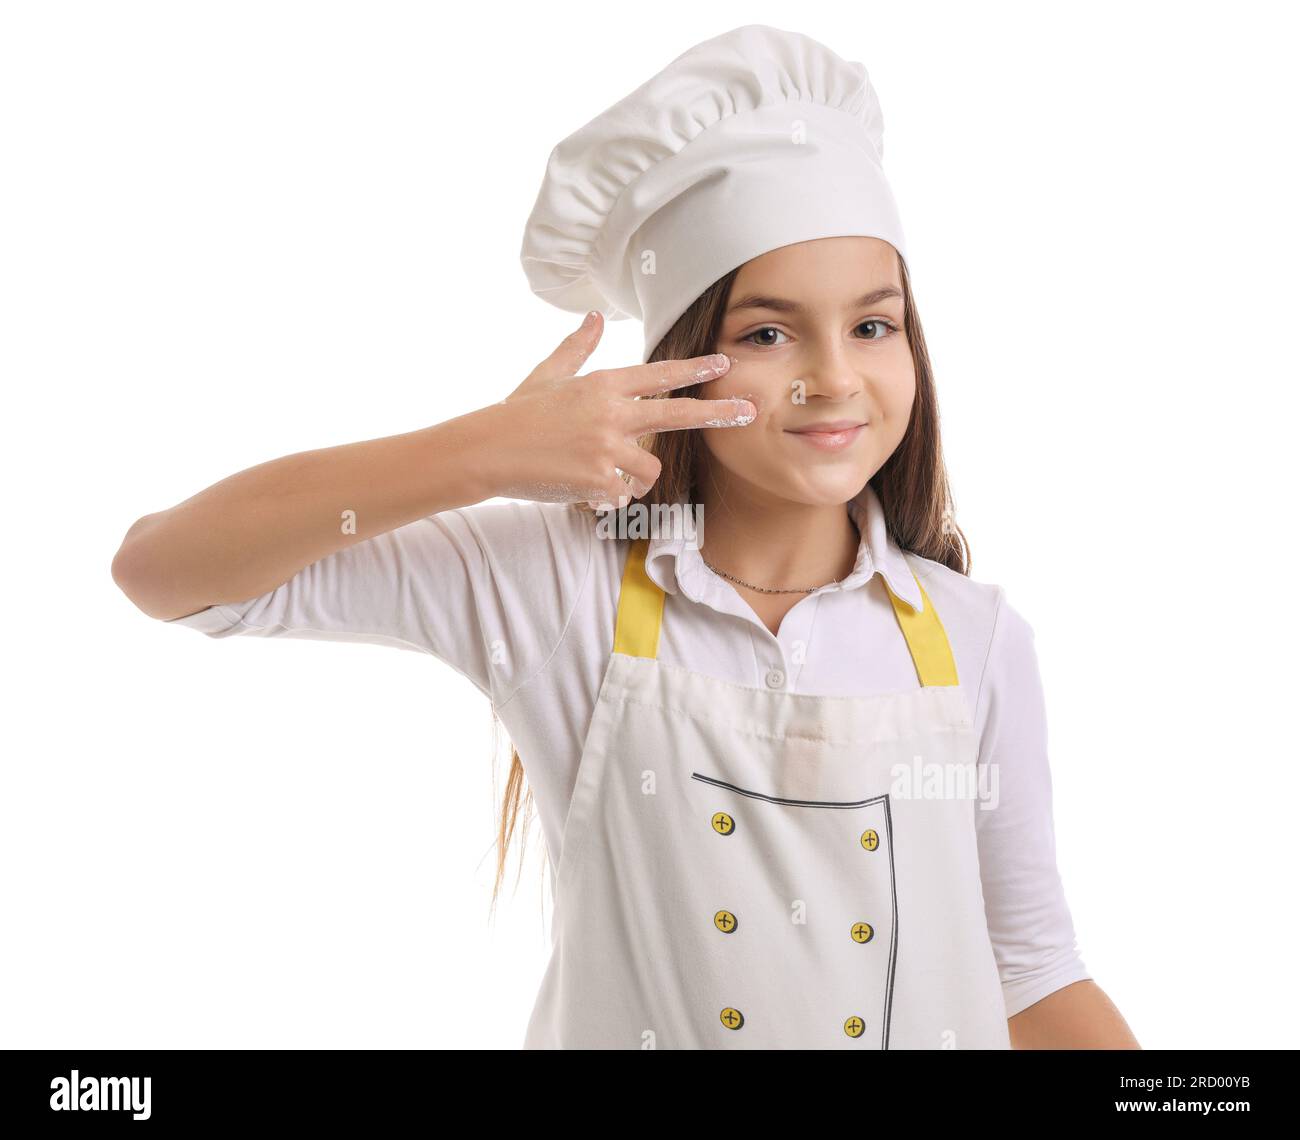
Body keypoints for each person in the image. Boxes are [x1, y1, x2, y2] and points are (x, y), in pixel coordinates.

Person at [112, 23, 1138, 1049]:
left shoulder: (975, 639)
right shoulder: (556, 589)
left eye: (872, 325)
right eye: (767, 333)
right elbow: (166, 570)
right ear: (682, 359)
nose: (833, 376)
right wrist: (484, 451)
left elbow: (1033, 977)